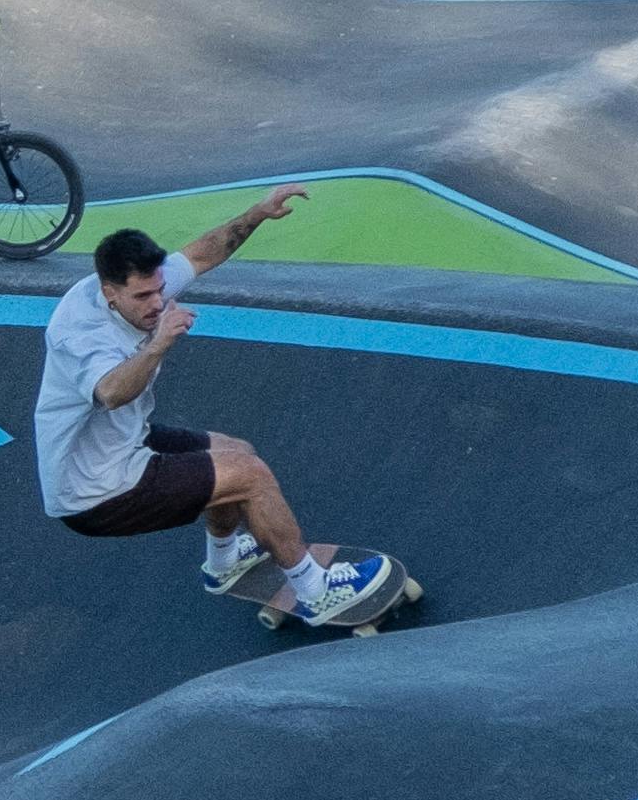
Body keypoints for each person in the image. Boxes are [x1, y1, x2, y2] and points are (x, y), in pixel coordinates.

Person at [34, 203, 394, 625]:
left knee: (235, 451)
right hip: (93, 491)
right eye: (143, 297)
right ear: (109, 291)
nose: (156, 303)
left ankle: (223, 563)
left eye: (160, 291)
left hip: (123, 443)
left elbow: (203, 253)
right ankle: (317, 593)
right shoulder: (79, 335)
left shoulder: (143, 283)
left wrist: (258, 214)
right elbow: (112, 392)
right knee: (251, 475)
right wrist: (159, 343)